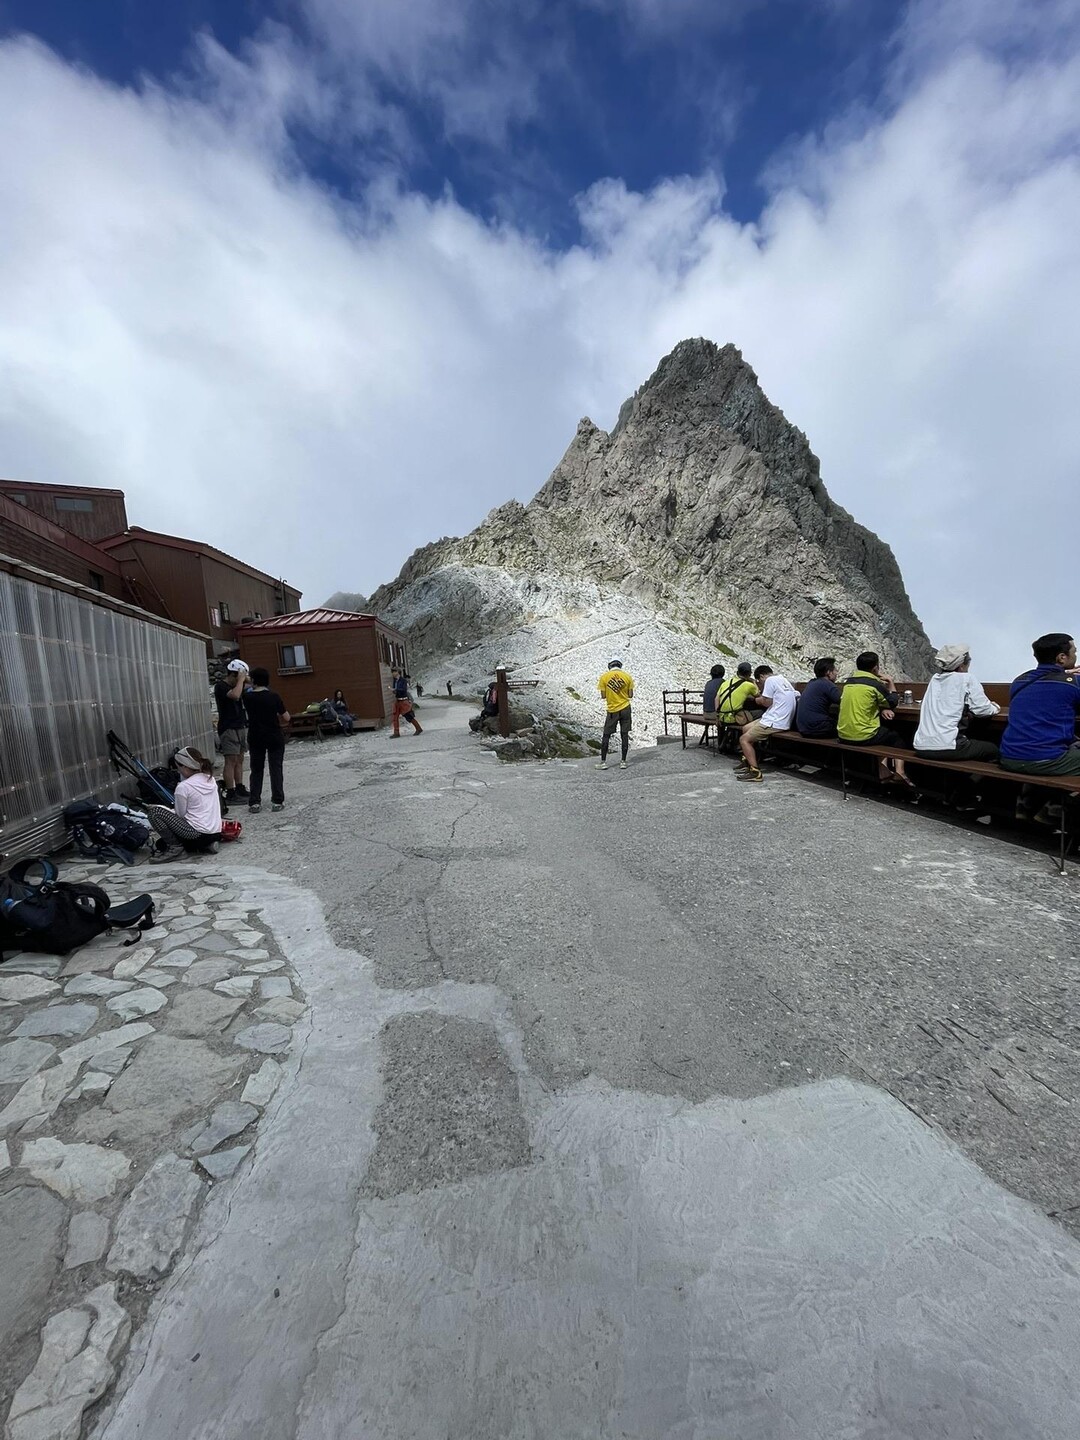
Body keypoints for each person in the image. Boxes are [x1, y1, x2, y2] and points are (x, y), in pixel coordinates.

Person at [1000, 634, 1080, 820]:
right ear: (1062, 657)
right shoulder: (1072, 684)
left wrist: (1062, 674)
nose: (1076, 655)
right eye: (1074, 652)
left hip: (1008, 757)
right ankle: (1057, 807)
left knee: (1047, 748)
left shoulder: (1019, 681)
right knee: (1053, 753)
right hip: (1044, 761)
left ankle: (1027, 803)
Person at [837, 651, 912, 786]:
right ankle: (900, 772)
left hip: (843, 734)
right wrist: (890, 682)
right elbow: (892, 701)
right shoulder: (874, 684)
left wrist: (882, 708)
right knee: (898, 736)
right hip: (862, 736)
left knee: (883, 732)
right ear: (875, 668)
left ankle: (883, 771)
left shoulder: (849, 682)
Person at [914, 645, 1000, 762]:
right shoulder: (966, 679)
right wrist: (995, 707)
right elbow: (982, 709)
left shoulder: (934, 679)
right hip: (948, 746)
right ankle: (971, 780)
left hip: (921, 745)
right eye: (968, 662)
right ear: (961, 666)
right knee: (993, 749)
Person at [146, 748, 222, 862]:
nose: (178, 771)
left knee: (155, 813)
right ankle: (206, 846)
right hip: (215, 832)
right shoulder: (209, 779)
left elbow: (180, 814)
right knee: (161, 844)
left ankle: (175, 849)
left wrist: (162, 808)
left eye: (178, 768)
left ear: (185, 767)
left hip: (196, 833)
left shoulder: (184, 786)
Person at [735, 666, 798, 782]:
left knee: (744, 739)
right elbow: (796, 694)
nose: (760, 684)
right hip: (777, 718)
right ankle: (747, 761)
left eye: (759, 681)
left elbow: (766, 702)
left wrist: (756, 700)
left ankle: (755, 772)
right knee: (745, 728)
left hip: (775, 722)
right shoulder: (783, 679)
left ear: (762, 676)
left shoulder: (769, 680)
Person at [244, 668, 290, 812]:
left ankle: (254, 802)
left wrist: (245, 679)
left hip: (256, 737)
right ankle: (277, 801)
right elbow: (287, 717)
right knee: (276, 768)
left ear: (254, 680)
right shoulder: (274, 696)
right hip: (274, 736)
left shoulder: (247, 697)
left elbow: (243, 690)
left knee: (256, 769)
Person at [214, 659, 250, 802]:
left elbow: (251, 686)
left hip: (240, 725)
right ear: (233, 675)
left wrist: (244, 679)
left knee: (240, 759)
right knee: (231, 760)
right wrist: (241, 680)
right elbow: (234, 695)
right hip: (228, 727)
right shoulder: (221, 687)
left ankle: (239, 786)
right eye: (238, 677)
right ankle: (230, 791)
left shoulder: (239, 685)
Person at [596, 659, 634, 770]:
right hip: (625, 707)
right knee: (624, 734)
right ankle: (623, 761)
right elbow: (630, 694)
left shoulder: (604, 677)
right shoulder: (627, 676)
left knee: (606, 735)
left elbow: (603, 696)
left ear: (610, 666)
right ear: (620, 666)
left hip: (612, 710)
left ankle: (603, 762)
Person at [714, 662, 759, 752]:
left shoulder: (726, 682)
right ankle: (748, 744)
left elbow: (716, 698)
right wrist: (754, 682)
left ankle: (731, 742)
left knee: (742, 712)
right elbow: (759, 696)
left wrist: (718, 715)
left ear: (737, 672)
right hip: (735, 718)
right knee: (761, 714)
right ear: (750, 673)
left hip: (722, 717)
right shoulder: (749, 685)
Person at [797, 658, 842, 738]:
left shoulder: (811, 682)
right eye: (835, 670)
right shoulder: (827, 684)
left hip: (802, 727)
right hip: (816, 728)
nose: (836, 673)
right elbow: (843, 701)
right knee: (846, 728)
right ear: (828, 672)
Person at [390, 667, 423, 737]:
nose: (392, 673)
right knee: (395, 716)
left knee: (408, 716)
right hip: (397, 700)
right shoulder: (394, 681)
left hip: (403, 700)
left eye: (393, 672)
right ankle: (396, 733)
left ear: (397, 672)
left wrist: (396, 690)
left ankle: (418, 728)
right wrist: (394, 691)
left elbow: (403, 690)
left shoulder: (403, 681)